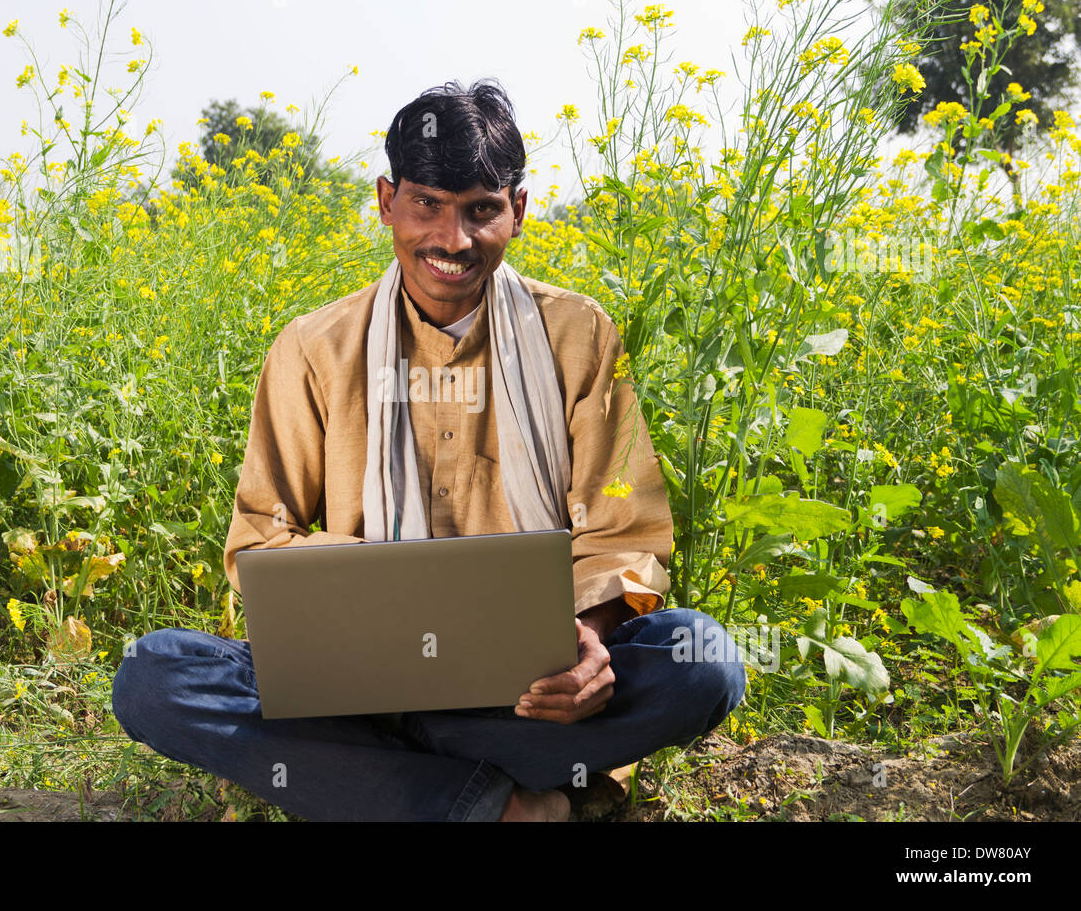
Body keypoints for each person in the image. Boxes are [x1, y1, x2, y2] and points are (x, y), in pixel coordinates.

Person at [111, 78, 746, 821]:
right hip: (353, 689)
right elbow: (261, 540)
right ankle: (506, 804)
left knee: (701, 659)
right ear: (387, 201)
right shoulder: (316, 348)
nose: (453, 239)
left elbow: (623, 535)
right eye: (427, 206)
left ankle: (381, 782)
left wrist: (589, 645)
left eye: (481, 210)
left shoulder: (577, 335)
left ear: (518, 209)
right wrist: (373, 623)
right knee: (154, 675)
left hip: (531, 695)